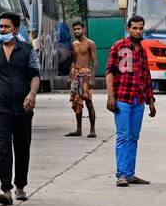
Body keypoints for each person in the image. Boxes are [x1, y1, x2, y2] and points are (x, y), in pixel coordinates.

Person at [0, 10, 41, 206]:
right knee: (2, 149)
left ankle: (20, 186)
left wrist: (32, 94)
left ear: (15, 29)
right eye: (0, 26)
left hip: (23, 108)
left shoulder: (27, 50)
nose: (2, 30)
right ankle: (6, 190)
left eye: (6, 27)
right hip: (1, 108)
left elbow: (35, 75)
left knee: (22, 148)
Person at [105, 15, 156, 187]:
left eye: (141, 28)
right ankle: (121, 174)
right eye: (135, 28)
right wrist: (111, 96)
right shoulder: (118, 46)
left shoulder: (142, 50)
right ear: (128, 29)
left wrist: (151, 101)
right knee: (123, 136)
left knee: (134, 136)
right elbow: (109, 72)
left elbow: (146, 76)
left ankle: (130, 173)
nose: (138, 31)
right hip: (122, 99)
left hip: (138, 100)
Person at [65, 21, 98, 138]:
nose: (76, 31)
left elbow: (95, 62)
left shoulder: (90, 43)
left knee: (88, 101)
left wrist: (92, 78)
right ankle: (78, 130)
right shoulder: (73, 44)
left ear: (83, 29)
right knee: (77, 103)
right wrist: (70, 76)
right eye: (74, 29)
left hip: (86, 75)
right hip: (75, 75)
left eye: (78, 28)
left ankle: (92, 130)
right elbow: (73, 62)